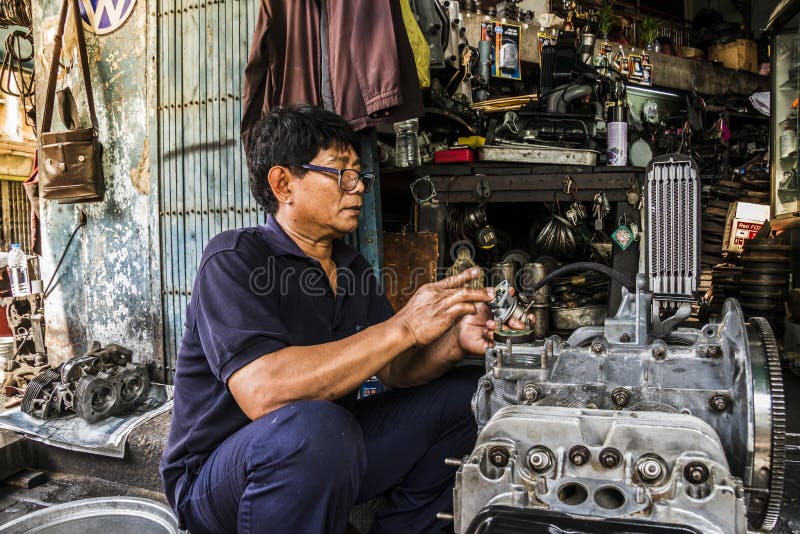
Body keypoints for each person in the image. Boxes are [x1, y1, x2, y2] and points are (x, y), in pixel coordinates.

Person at [160, 104, 529, 533]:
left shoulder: (351, 268)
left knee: (465, 395)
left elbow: (393, 369)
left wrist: (452, 346)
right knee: (315, 428)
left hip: (327, 448)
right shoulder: (234, 259)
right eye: (341, 174)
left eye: (360, 176)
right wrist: (403, 326)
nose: (358, 189)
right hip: (217, 478)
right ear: (283, 184)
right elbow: (264, 391)